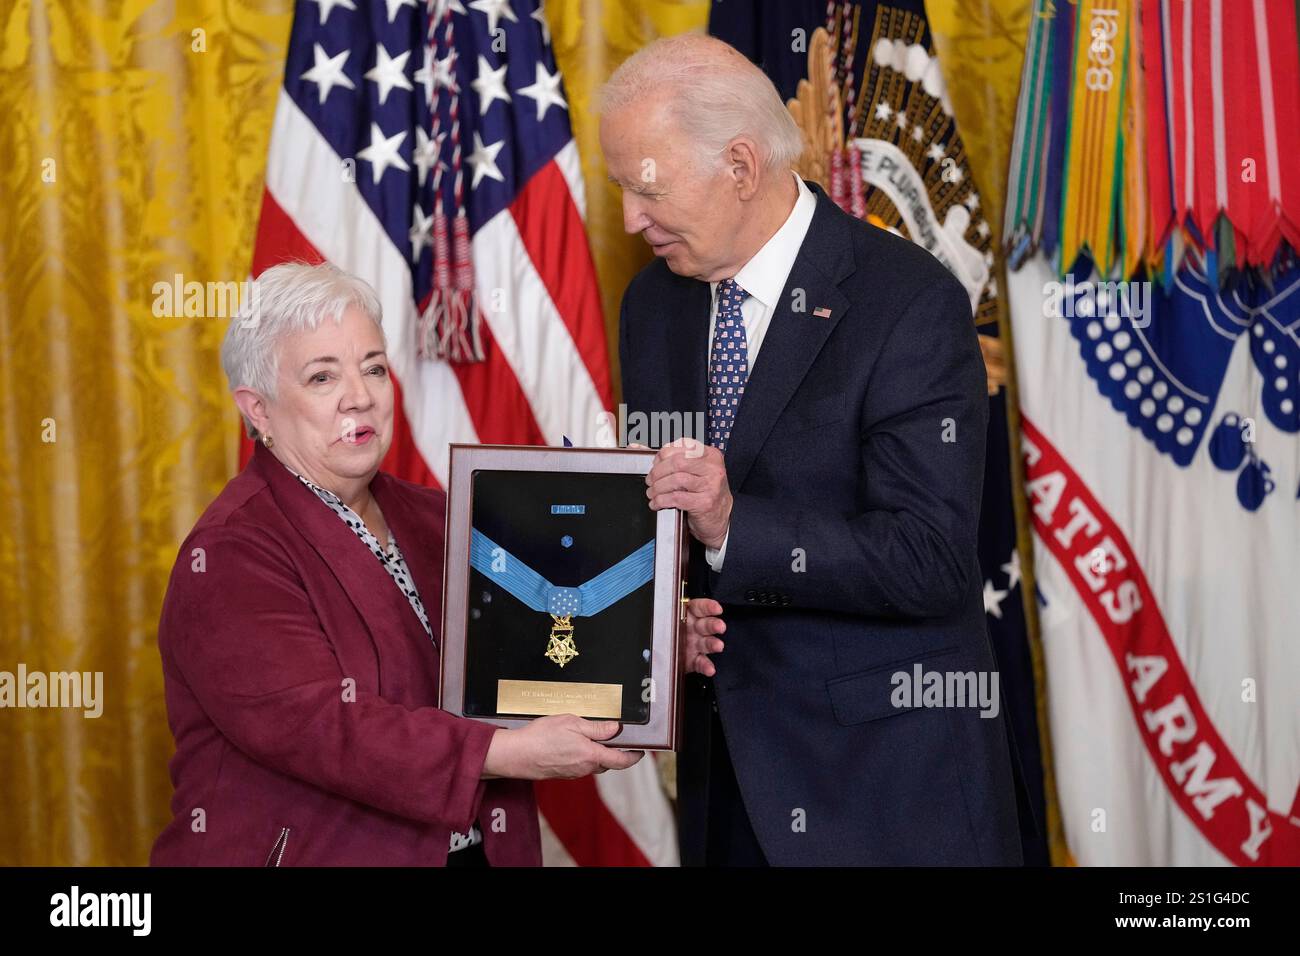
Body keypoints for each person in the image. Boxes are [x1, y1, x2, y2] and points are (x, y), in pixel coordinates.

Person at [602, 35, 1023, 866]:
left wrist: (733, 527)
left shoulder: (908, 303)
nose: (628, 219)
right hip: (725, 791)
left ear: (741, 166)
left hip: (884, 796)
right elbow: (658, 516)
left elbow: (930, 557)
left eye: (645, 187)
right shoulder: (653, 304)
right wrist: (663, 616)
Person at [150, 261, 694, 866]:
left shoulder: (440, 514)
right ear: (258, 410)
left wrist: (655, 640)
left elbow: (534, 641)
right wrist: (503, 754)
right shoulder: (231, 553)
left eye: (374, 368)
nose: (360, 396)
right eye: (321, 377)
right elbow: (327, 729)